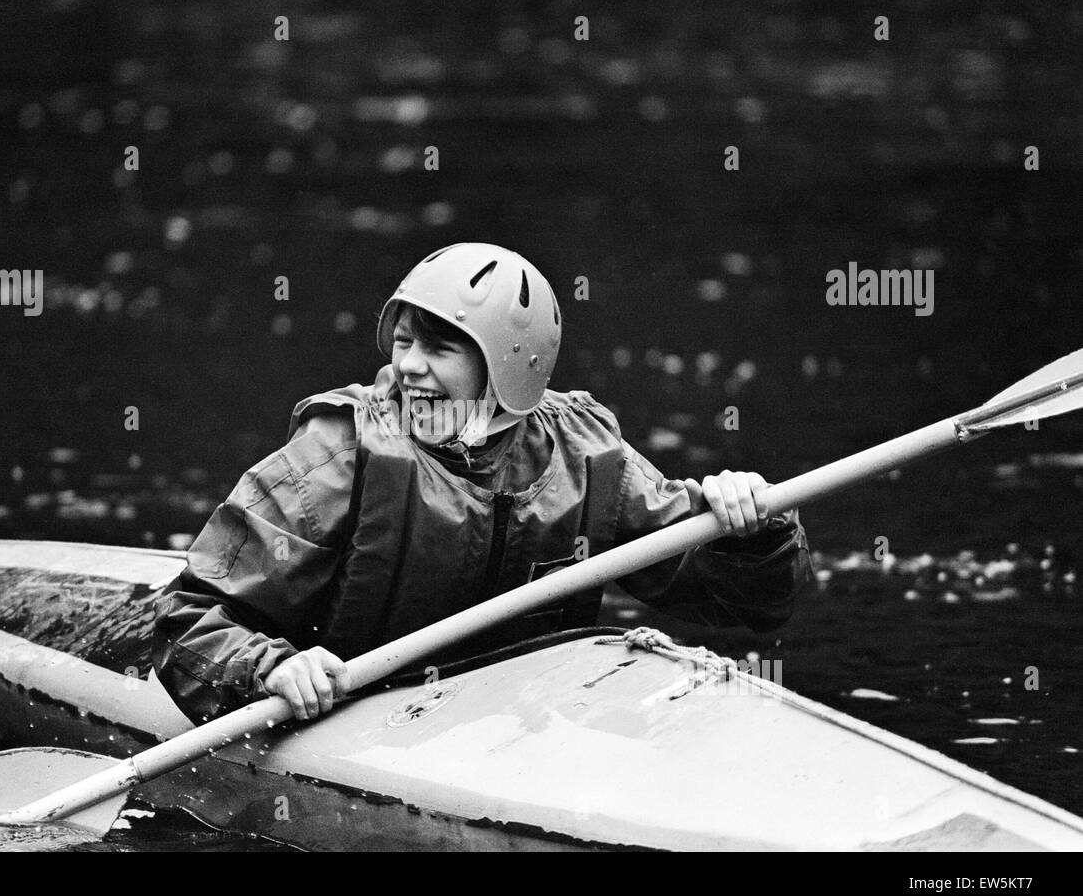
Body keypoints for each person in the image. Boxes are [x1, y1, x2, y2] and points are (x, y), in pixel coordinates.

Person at [152, 242, 811, 724]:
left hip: (521, 727)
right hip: (357, 720)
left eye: (438, 349)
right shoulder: (339, 455)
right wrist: (271, 667)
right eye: (403, 341)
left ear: (507, 370)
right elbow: (186, 623)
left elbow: (748, 602)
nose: (408, 366)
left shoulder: (588, 455)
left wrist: (751, 528)